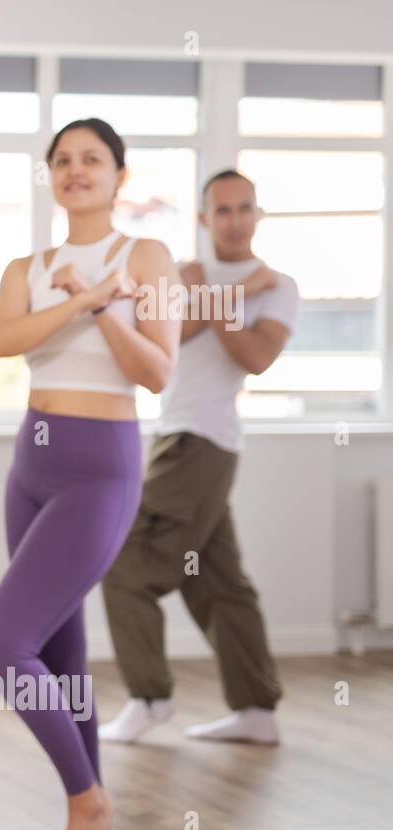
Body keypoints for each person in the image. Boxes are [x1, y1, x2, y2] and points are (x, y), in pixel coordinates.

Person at [0, 118, 182, 830]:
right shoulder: (24, 266)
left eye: (91, 159)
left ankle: (88, 800)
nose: (75, 169)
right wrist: (84, 292)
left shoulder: (148, 256)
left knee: (0, 645)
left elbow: (158, 372)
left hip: (101, 465)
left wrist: (101, 304)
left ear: (119, 175)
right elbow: (5, 341)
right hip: (32, 462)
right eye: (62, 160)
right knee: (59, 653)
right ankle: (88, 814)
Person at [101, 169, 296, 746]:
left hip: (203, 441)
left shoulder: (280, 284)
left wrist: (210, 297)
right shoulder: (180, 276)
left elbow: (256, 357)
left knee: (124, 561)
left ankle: (149, 697)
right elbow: (168, 340)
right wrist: (229, 296)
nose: (235, 220)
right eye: (224, 210)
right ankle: (258, 710)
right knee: (218, 579)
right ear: (205, 218)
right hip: (174, 435)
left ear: (258, 215)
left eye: (245, 208)